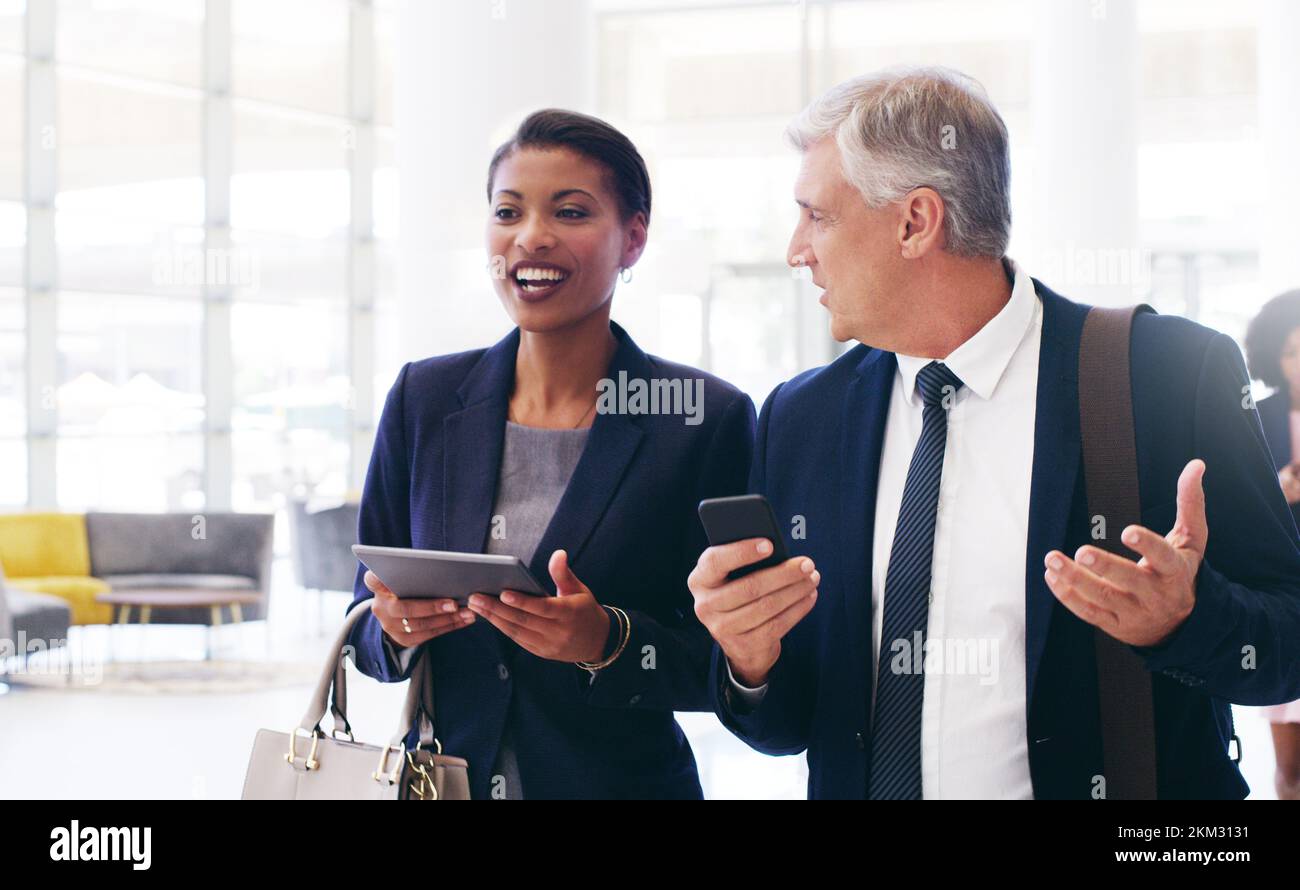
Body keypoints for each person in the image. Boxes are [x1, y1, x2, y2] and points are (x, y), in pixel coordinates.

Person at [687, 66, 1300, 799]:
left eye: (817, 215)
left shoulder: (1168, 374)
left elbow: (1287, 641)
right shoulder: (801, 417)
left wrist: (1187, 619)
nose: (797, 249)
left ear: (916, 221)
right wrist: (749, 662)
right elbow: (789, 726)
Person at [346, 109, 756, 799]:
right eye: (508, 212)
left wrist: (608, 640)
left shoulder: (705, 419)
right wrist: (392, 631)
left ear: (633, 238)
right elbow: (363, 618)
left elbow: (729, 662)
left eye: (570, 212)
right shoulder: (425, 398)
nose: (531, 237)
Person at [1244, 290, 1300, 799]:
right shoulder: (1254, 417)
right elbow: (1240, 509)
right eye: (1291, 351)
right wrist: (1279, 490)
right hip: (1289, 598)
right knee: (1290, 766)